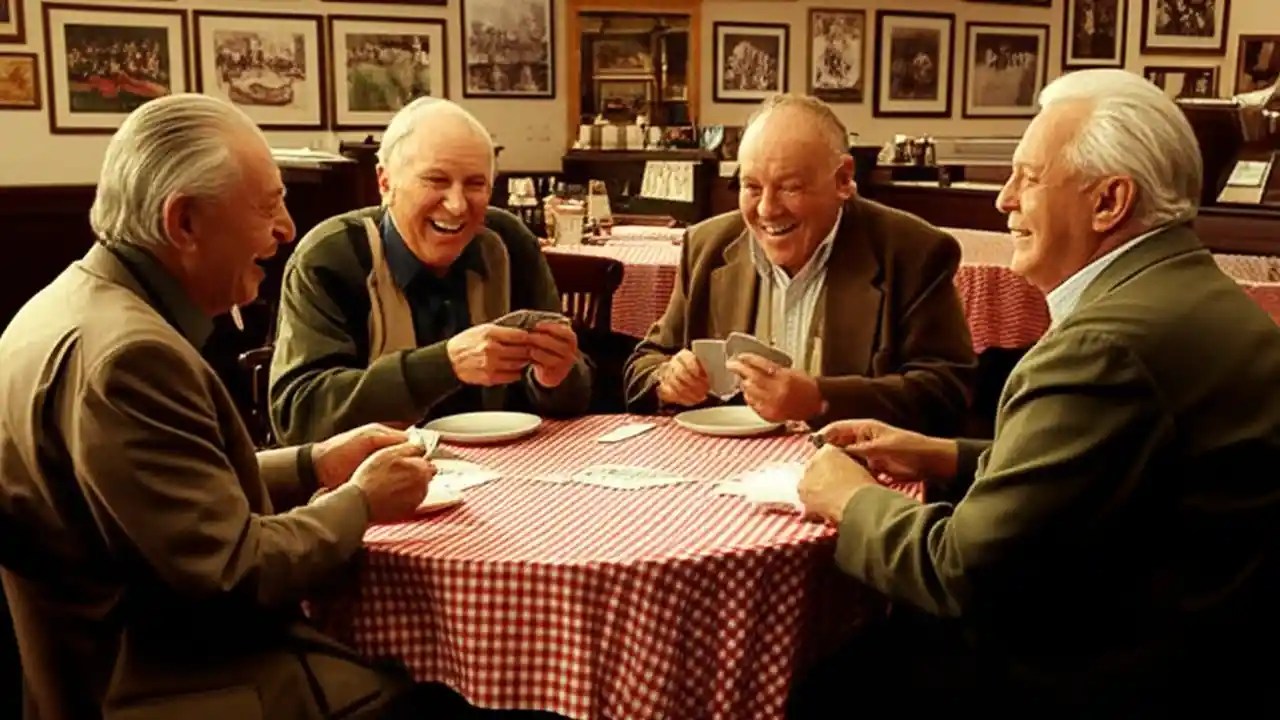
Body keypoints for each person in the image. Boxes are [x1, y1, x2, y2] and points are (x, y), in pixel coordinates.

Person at [794, 69, 1280, 715]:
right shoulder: (1200, 294)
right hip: (1218, 654)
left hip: (1103, 673)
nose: (1004, 200)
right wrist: (945, 455)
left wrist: (849, 498)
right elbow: (1112, 471)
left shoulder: (1101, 347)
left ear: (1109, 202)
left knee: (821, 681)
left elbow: (958, 572)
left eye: (1027, 177)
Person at [0, 94, 439, 719]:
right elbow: (234, 572)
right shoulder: (131, 357)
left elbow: (156, 495)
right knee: (444, 690)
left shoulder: (62, 305)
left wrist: (314, 463)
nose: (287, 229)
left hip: (100, 668)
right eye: (268, 206)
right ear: (184, 223)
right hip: (168, 687)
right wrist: (362, 501)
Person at [623, 93, 975, 434]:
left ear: (843, 179)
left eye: (790, 187)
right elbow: (643, 365)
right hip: (720, 467)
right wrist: (666, 379)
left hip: (853, 466)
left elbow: (947, 392)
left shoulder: (914, 251)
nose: (767, 210)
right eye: (752, 187)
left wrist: (820, 400)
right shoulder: (706, 247)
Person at [269, 98, 591, 445]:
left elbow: (573, 397)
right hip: (374, 472)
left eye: (475, 184)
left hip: (507, 468)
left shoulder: (508, 244)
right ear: (385, 182)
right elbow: (299, 416)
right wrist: (444, 366)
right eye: (436, 180)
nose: (457, 205)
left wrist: (555, 378)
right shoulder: (333, 256)